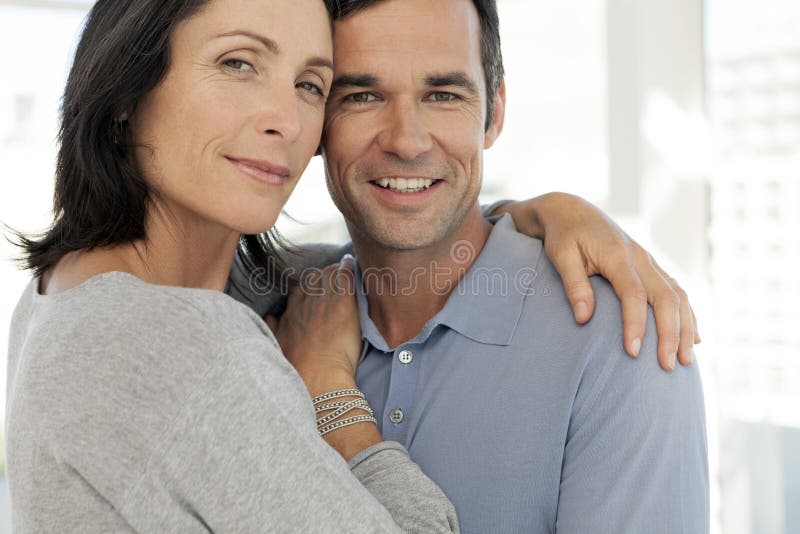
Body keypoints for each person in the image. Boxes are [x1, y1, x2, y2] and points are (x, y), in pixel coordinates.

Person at [234, 0, 709, 532]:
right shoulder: (269, 308)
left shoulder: (621, 340)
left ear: (494, 113)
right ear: (318, 120)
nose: (406, 141)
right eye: (362, 96)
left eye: (443, 95)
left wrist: (330, 400)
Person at [5, 0, 461, 531]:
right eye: (238, 64)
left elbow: (361, 267)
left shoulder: (66, 288)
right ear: (128, 84)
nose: (287, 122)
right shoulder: (183, 342)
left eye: (311, 85)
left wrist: (519, 222)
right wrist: (327, 390)